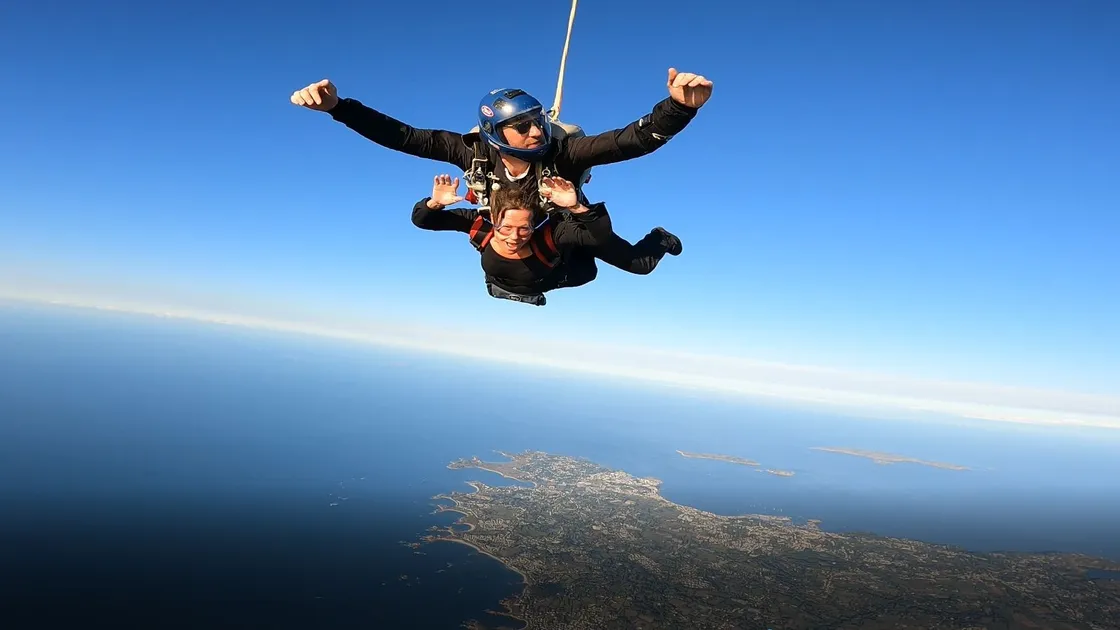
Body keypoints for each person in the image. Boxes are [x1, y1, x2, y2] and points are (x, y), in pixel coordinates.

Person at [291, 69, 707, 287]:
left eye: (538, 122)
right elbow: (402, 136)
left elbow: (631, 141)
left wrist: (678, 108)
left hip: (566, 222)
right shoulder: (470, 152)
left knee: (637, 265)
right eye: (522, 126)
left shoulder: (566, 155)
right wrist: (338, 107)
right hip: (517, 230)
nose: (536, 132)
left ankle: (660, 238)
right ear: (494, 134)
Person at [413, 174, 641, 306]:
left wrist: (575, 206)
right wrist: (435, 203)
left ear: (535, 224)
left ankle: (661, 238)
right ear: (493, 218)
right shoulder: (480, 226)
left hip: (571, 270)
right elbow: (422, 220)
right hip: (506, 285)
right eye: (506, 228)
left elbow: (600, 236)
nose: (514, 237)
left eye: (524, 229)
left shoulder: (553, 233)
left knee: (639, 264)